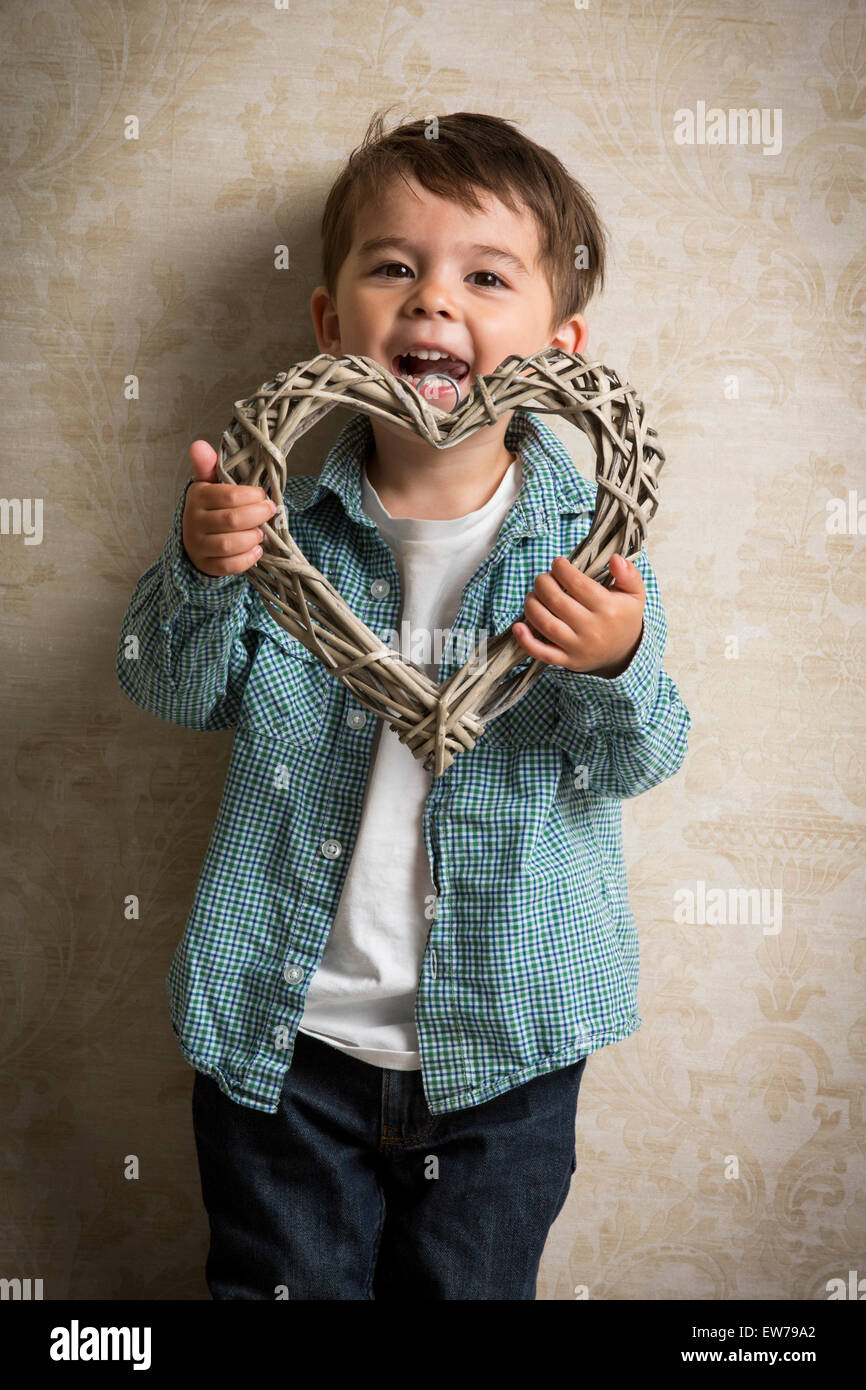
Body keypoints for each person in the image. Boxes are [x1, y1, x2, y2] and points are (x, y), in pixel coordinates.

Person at [116, 109, 691, 1300]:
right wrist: (199, 567)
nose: (433, 302)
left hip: (506, 1058)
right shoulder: (272, 525)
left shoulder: (589, 551)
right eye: (394, 267)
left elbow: (637, 760)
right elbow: (171, 687)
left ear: (559, 347)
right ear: (331, 323)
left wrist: (614, 661)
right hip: (284, 1041)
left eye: (485, 276)